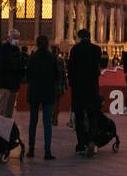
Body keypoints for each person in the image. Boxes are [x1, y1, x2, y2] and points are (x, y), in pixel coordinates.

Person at [67, 28, 102, 156]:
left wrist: (72, 83)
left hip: (78, 89)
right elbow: (98, 67)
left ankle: (81, 144)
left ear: (80, 37)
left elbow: (70, 69)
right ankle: (92, 140)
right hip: (92, 88)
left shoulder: (75, 50)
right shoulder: (97, 49)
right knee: (93, 116)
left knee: (80, 118)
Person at [26, 33, 59, 159]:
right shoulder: (52, 58)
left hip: (34, 92)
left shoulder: (32, 58)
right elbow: (56, 76)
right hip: (47, 93)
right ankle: (47, 151)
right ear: (48, 44)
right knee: (47, 123)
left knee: (33, 122)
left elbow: (27, 75)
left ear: (37, 44)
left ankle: (31, 149)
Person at [0, 28, 24, 118]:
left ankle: (6, 131)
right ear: (9, 37)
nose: (16, 40)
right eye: (15, 37)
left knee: (9, 112)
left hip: (13, 85)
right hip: (4, 84)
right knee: (1, 110)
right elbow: (0, 66)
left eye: (18, 38)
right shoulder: (3, 48)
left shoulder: (17, 49)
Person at [52, 45, 68, 126]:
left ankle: (51, 117)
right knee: (56, 103)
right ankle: (55, 119)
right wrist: (65, 85)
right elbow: (63, 74)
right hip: (58, 85)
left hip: (49, 85)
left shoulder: (48, 60)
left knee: (50, 103)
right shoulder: (60, 61)